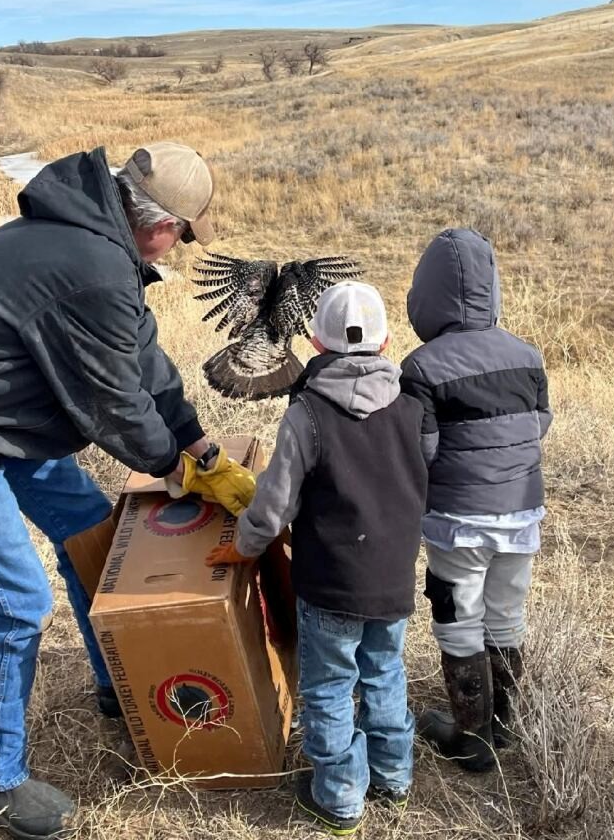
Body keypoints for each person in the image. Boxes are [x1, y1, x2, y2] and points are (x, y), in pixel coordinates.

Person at [0, 142, 255, 839]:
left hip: (6, 420)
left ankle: (120, 683)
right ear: (160, 224)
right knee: (18, 602)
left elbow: (146, 363)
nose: (179, 249)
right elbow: (115, 406)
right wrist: (172, 465)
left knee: (93, 538)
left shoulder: (99, 246)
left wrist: (201, 447)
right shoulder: (92, 267)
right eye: (182, 235)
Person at [207, 281, 428, 837]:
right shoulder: (414, 408)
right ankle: (394, 779)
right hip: (393, 577)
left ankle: (340, 798)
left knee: (329, 687)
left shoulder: (306, 413)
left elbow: (274, 504)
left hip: (329, 582)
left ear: (314, 344)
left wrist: (243, 546)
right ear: (386, 343)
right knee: (384, 672)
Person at [400, 228, 553, 772]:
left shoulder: (422, 367)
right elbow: (540, 423)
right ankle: (506, 725)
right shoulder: (528, 356)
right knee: (506, 614)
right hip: (522, 511)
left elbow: (423, 447)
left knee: (458, 615)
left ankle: (473, 739)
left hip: (457, 519)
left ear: (426, 293)